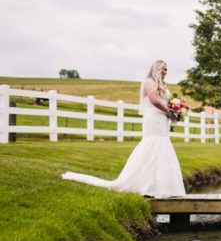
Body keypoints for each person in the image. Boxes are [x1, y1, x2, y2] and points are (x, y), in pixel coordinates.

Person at [62, 60, 186, 197]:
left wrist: (176, 109)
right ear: (156, 69)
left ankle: (161, 188)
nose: (166, 72)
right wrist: (168, 111)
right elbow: (154, 100)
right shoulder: (149, 82)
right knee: (153, 144)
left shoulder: (161, 84)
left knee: (162, 146)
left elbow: (162, 100)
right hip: (154, 118)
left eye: (167, 69)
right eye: (164, 69)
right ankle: (145, 185)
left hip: (162, 119)